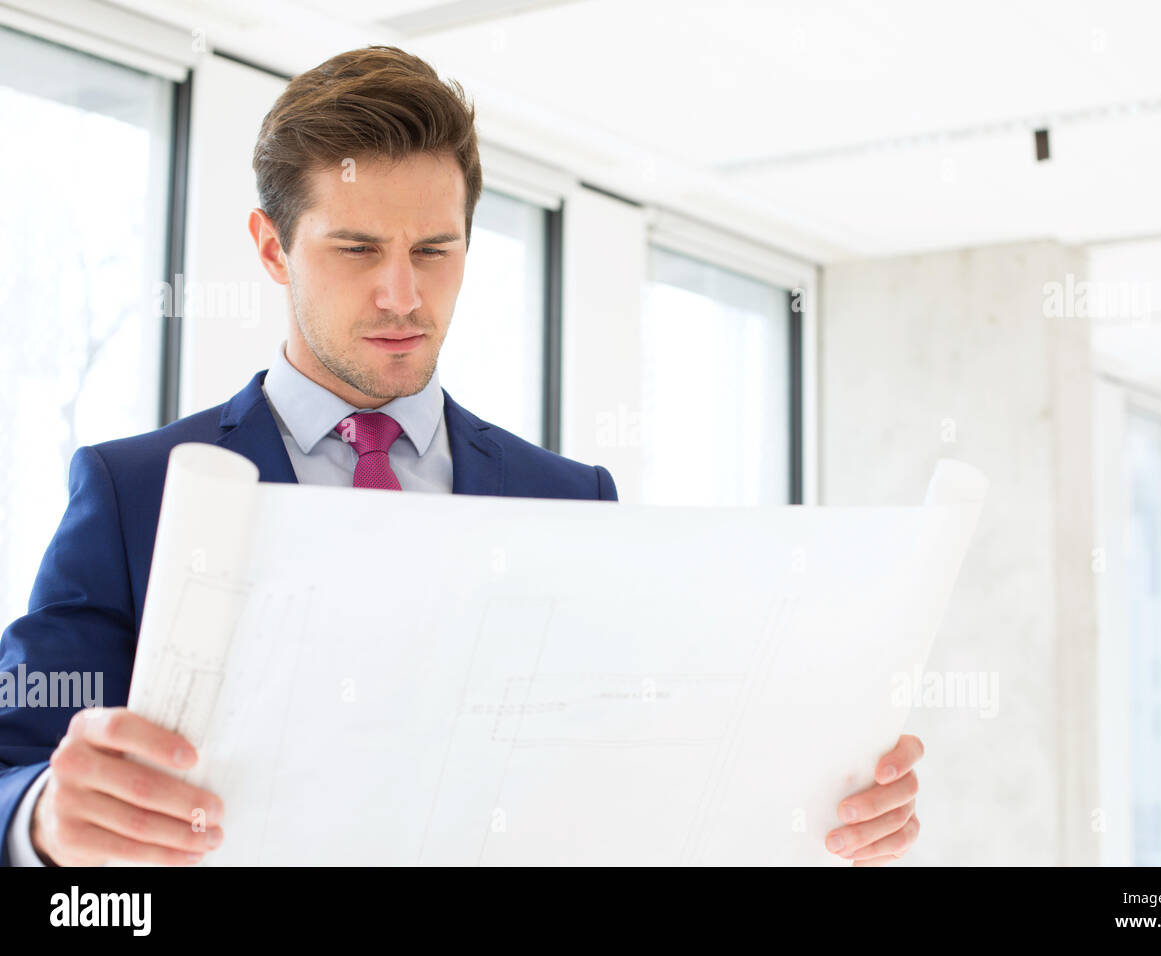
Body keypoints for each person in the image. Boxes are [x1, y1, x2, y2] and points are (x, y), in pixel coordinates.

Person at [0, 45, 922, 867]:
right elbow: (14, 757)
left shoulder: (568, 500)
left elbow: (637, 762)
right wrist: (44, 817)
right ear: (272, 248)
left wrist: (817, 808)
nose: (402, 294)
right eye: (356, 247)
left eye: (435, 249)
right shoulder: (135, 490)